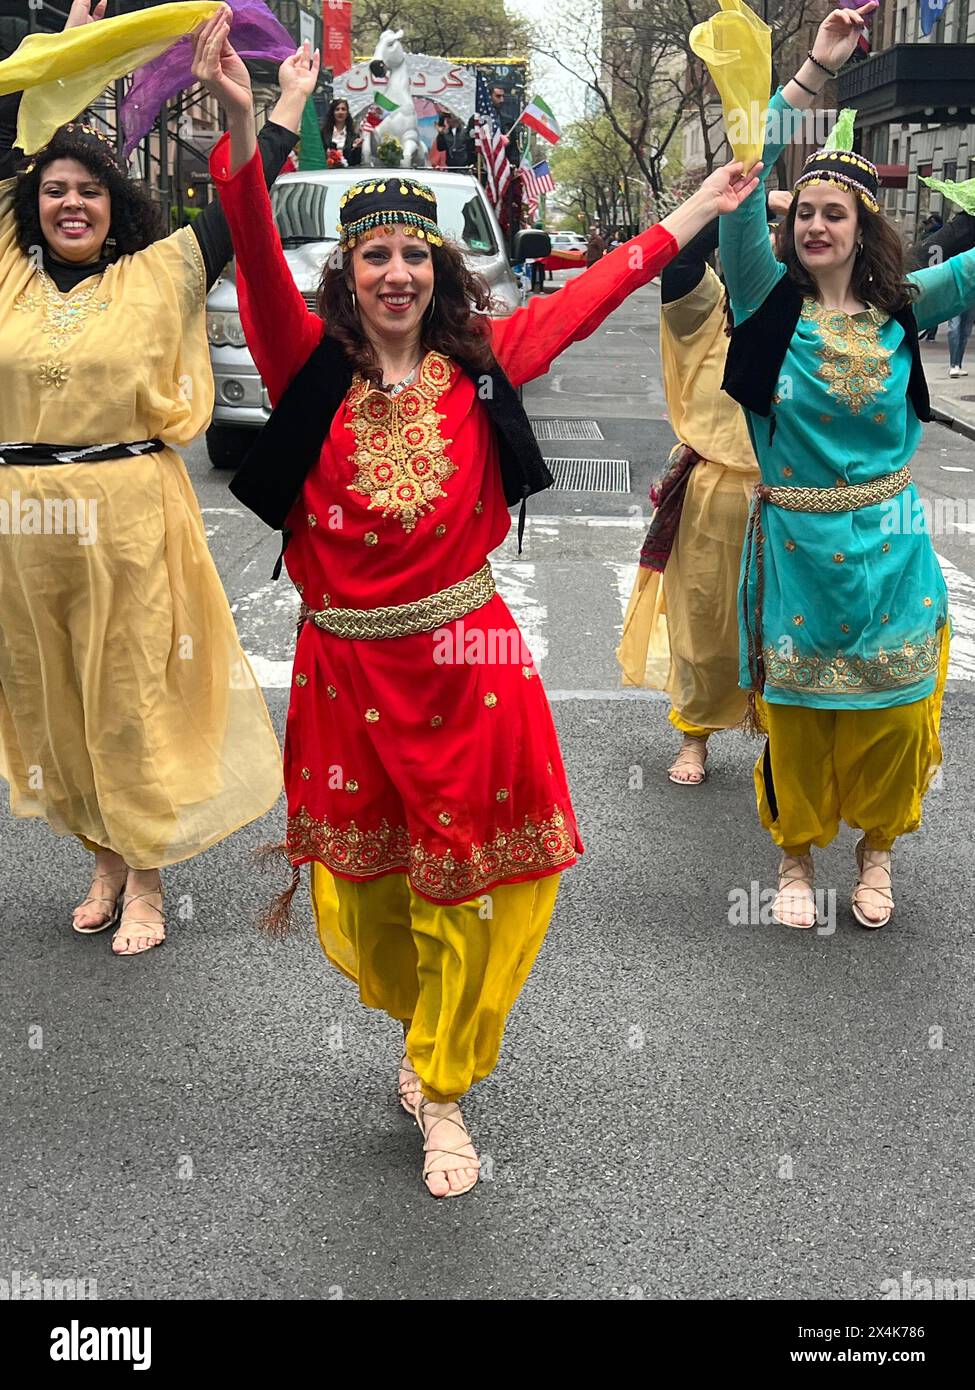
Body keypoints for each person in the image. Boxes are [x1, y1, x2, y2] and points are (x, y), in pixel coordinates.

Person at [196, 12, 760, 1195]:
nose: (396, 275)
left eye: (415, 259)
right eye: (373, 260)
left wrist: (700, 208)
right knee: (372, 902)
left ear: (438, 273)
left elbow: (606, 285)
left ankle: (447, 1089)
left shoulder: (486, 364)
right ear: (346, 280)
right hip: (347, 678)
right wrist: (251, 124)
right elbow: (251, 243)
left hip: (468, 666)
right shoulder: (304, 366)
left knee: (467, 882)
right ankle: (423, 1035)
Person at [0, 1, 318, 954]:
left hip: (128, 512)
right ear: (31, 202)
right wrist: (70, 56)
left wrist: (275, 108)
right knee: (52, 693)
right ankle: (100, 856)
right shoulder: (6, 274)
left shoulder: (164, 270)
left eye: (89, 192)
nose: (70, 204)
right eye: (54, 189)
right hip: (21, 518)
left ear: (116, 205)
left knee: (129, 691)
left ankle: (147, 878)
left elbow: (242, 206)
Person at [718, 3, 975, 930]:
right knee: (798, 720)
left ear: (865, 229)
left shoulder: (905, 307)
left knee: (895, 717)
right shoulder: (762, 301)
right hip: (794, 545)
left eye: (835, 213)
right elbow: (744, 183)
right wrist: (814, 72)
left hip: (894, 545)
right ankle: (792, 861)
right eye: (805, 212)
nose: (815, 224)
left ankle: (875, 855)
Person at [617, 200, 788, 782]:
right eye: (747, 246)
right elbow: (682, 260)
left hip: (793, 500)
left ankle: (783, 740)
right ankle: (694, 736)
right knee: (704, 622)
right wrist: (753, 198)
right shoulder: (708, 312)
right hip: (712, 492)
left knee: (785, 627)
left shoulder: (806, 313)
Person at [320, 96, 361, 168]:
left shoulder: (354, 136)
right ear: (332, 112)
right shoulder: (323, 133)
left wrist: (357, 148)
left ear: (347, 113)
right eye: (337, 109)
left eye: (343, 109)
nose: (340, 112)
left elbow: (356, 162)